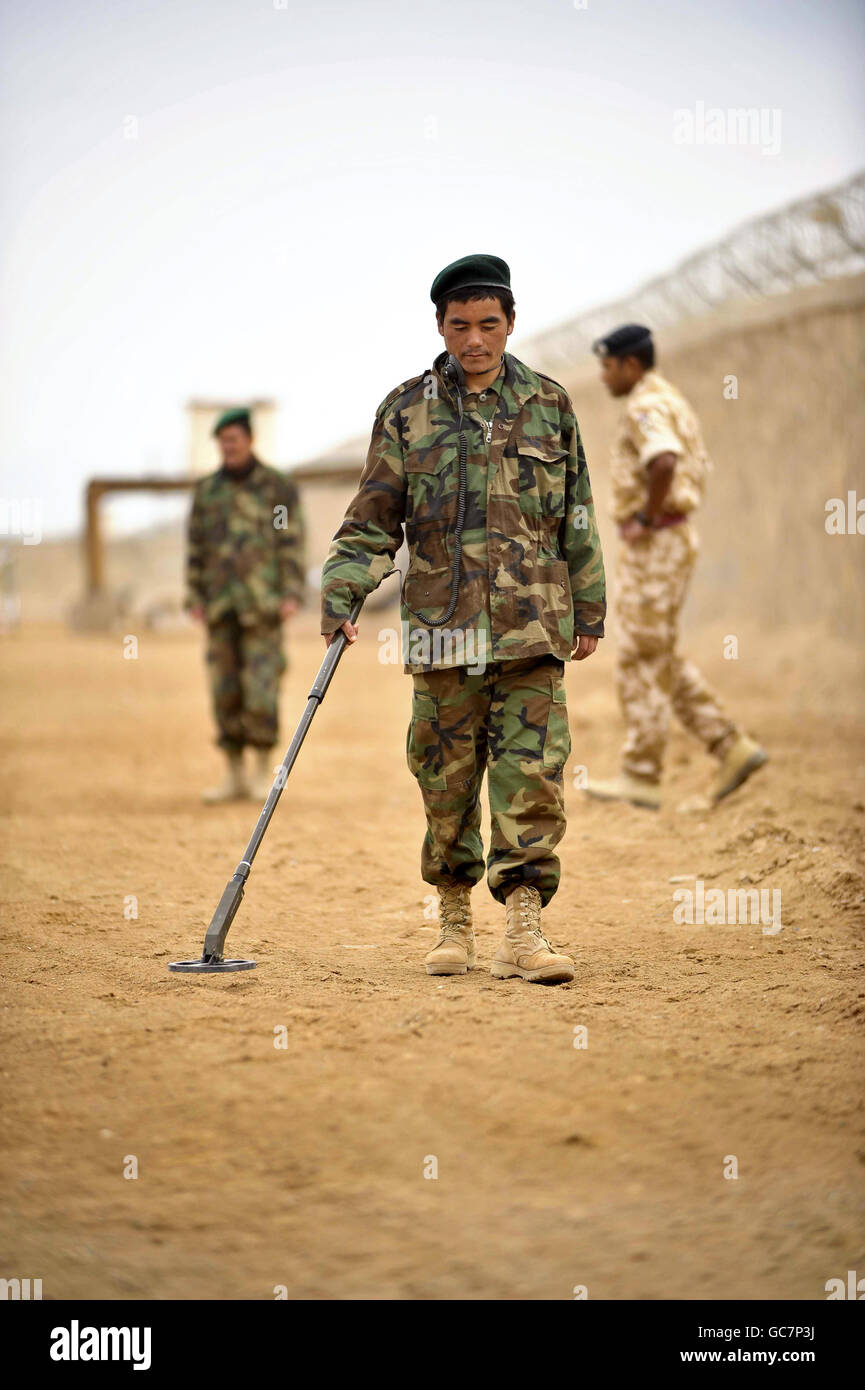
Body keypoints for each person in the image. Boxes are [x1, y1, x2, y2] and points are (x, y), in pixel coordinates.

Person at [320, 254, 606, 984]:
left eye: (487, 324)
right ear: (439, 326)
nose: (473, 340)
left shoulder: (550, 404)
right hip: (444, 632)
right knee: (445, 782)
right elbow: (373, 519)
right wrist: (345, 589)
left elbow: (576, 514)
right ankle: (452, 923)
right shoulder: (405, 410)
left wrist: (590, 605)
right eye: (459, 325)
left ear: (510, 323)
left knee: (531, 776)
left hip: (533, 626)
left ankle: (523, 930)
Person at [585, 324, 766, 811]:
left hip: (658, 540)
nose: (603, 377)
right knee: (655, 650)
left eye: (607, 366)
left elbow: (662, 461)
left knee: (640, 654)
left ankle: (642, 774)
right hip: (669, 538)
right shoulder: (667, 397)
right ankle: (730, 747)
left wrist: (645, 518)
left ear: (630, 364)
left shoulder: (646, 404)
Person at [186, 407, 306, 803]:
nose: (228, 447)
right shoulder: (207, 492)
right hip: (220, 605)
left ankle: (260, 771)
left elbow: (288, 539)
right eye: (222, 442)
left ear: (249, 440)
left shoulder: (276, 489)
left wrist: (290, 592)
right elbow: (196, 548)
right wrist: (195, 596)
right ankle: (233, 775)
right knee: (225, 689)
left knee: (261, 687)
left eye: (234, 440)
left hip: (263, 604)